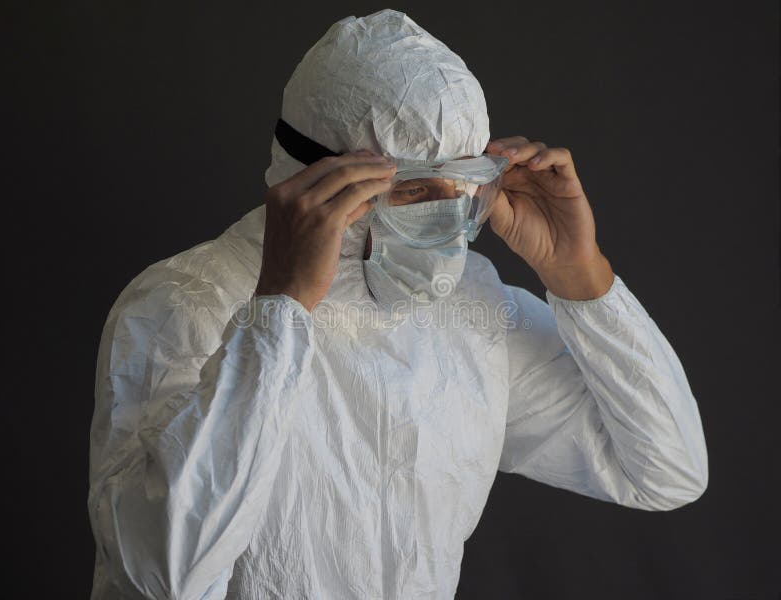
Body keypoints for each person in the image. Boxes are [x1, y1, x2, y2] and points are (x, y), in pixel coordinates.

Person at [87, 9, 708, 600]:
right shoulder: (185, 305)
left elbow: (665, 470)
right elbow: (166, 575)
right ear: (317, 183)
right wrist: (281, 310)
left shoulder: (472, 312)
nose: (448, 222)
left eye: (465, 187)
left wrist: (580, 276)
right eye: (415, 191)